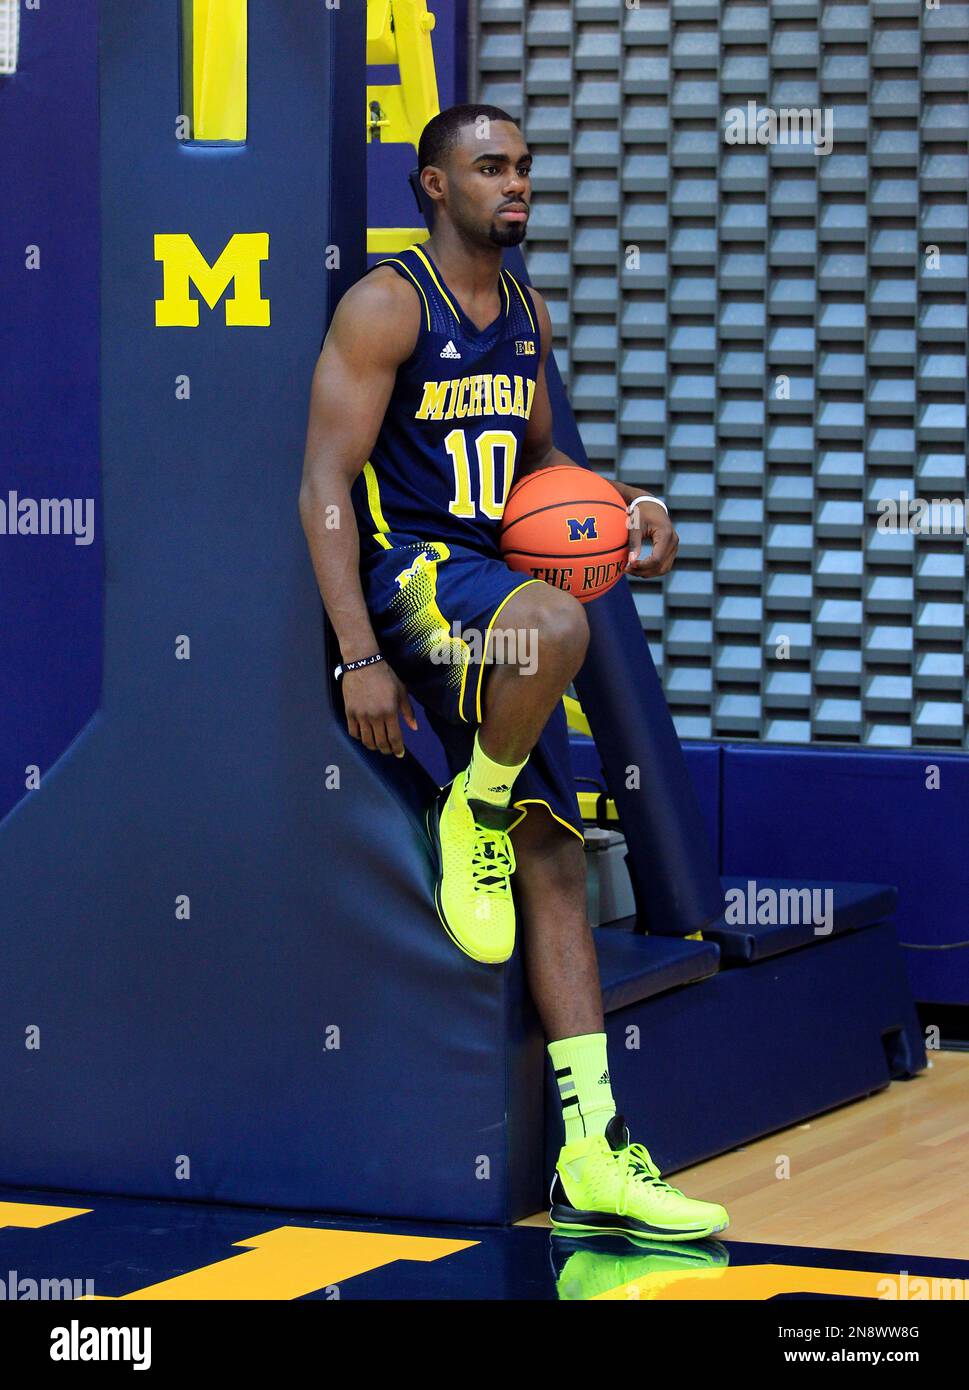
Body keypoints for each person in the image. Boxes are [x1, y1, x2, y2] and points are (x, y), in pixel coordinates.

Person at [300, 103, 728, 1241]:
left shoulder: (526, 314)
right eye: (490, 167)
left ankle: (591, 1149)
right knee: (562, 623)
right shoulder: (390, 306)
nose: (515, 183)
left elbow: (547, 471)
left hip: (498, 593)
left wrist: (627, 506)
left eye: (524, 167)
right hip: (420, 584)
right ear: (432, 186)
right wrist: (357, 653)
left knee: (552, 861)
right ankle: (469, 809)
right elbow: (324, 488)